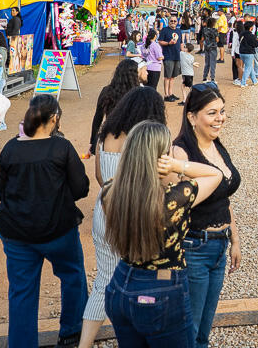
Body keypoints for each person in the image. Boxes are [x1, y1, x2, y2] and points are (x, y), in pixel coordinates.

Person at [102, 121, 224, 348]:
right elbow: (215, 175)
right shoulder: (173, 199)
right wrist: (178, 165)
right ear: (161, 159)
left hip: (120, 284)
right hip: (162, 290)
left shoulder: (110, 192)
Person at [0, 94, 90, 348]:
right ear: (55, 118)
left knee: (22, 291)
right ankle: (71, 333)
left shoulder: (11, 148)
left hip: (17, 233)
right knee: (73, 277)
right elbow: (81, 188)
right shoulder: (62, 147)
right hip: (58, 230)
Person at [79, 86, 167, 348]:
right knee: (143, 278)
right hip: (134, 213)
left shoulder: (106, 133)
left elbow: (98, 176)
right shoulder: (146, 139)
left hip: (104, 210)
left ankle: (84, 343)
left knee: (104, 279)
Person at [171, 84, 242, 348]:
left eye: (222, 112)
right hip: (194, 247)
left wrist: (234, 238)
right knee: (190, 326)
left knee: (204, 327)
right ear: (192, 117)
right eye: (212, 113)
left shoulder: (217, 146)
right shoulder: (180, 154)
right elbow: (171, 208)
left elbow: (224, 197)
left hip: (219, 246)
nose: (220, 118)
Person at [89, 59, 145, 155]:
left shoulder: (107, 91)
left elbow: (97, 118)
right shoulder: (138, 93)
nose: (146, 73)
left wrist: (93, 142)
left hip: (110, 139)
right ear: (134, 74)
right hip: (132, 139)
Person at [160, 18, 182, 103]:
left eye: (174, 21)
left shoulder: (179, 31)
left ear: (177, 22)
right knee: (167, 76)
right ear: (168, 22)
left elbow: (181, 43)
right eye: (171, 21)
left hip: (177, 56)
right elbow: (160, 41)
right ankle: (166, 95)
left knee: (173, 77)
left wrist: (183, 52)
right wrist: (168, 43)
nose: (173, 22)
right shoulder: (165, 30)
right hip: (168, 56)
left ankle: (171, 93)